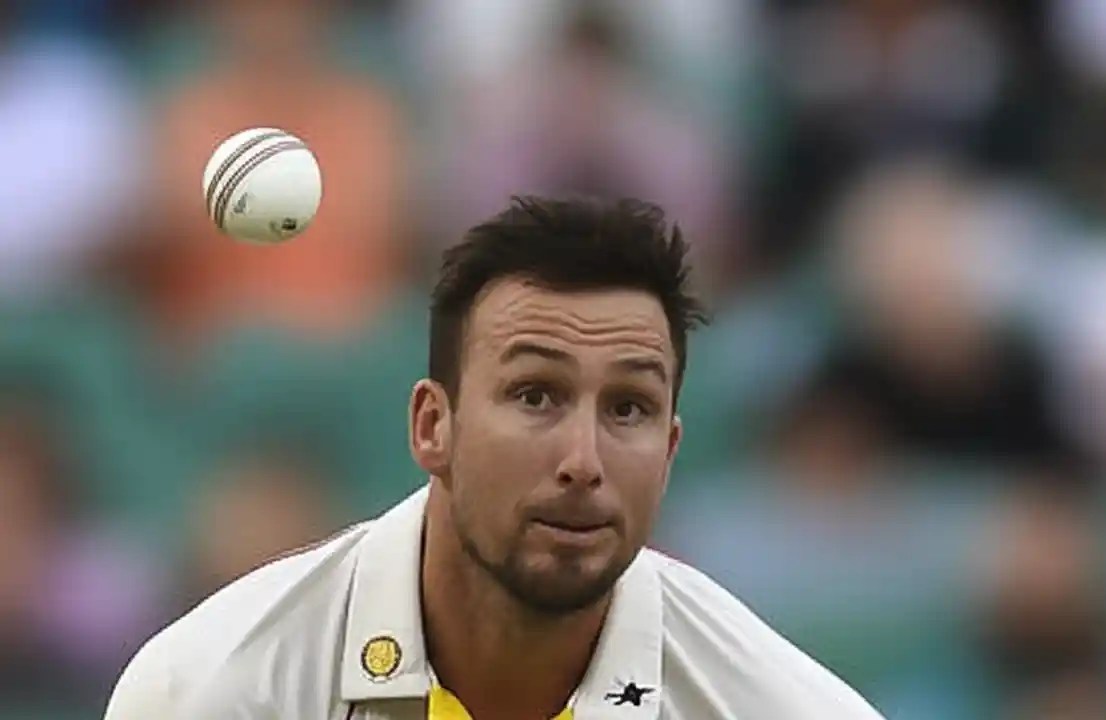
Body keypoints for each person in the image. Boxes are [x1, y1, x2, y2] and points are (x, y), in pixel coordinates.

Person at [103, 196, 883, 719]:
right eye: (536, 396)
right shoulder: (211, 692)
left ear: (672, 450)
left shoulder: (780, 707)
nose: (584, 459)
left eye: (629, 409)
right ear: (431, 426)